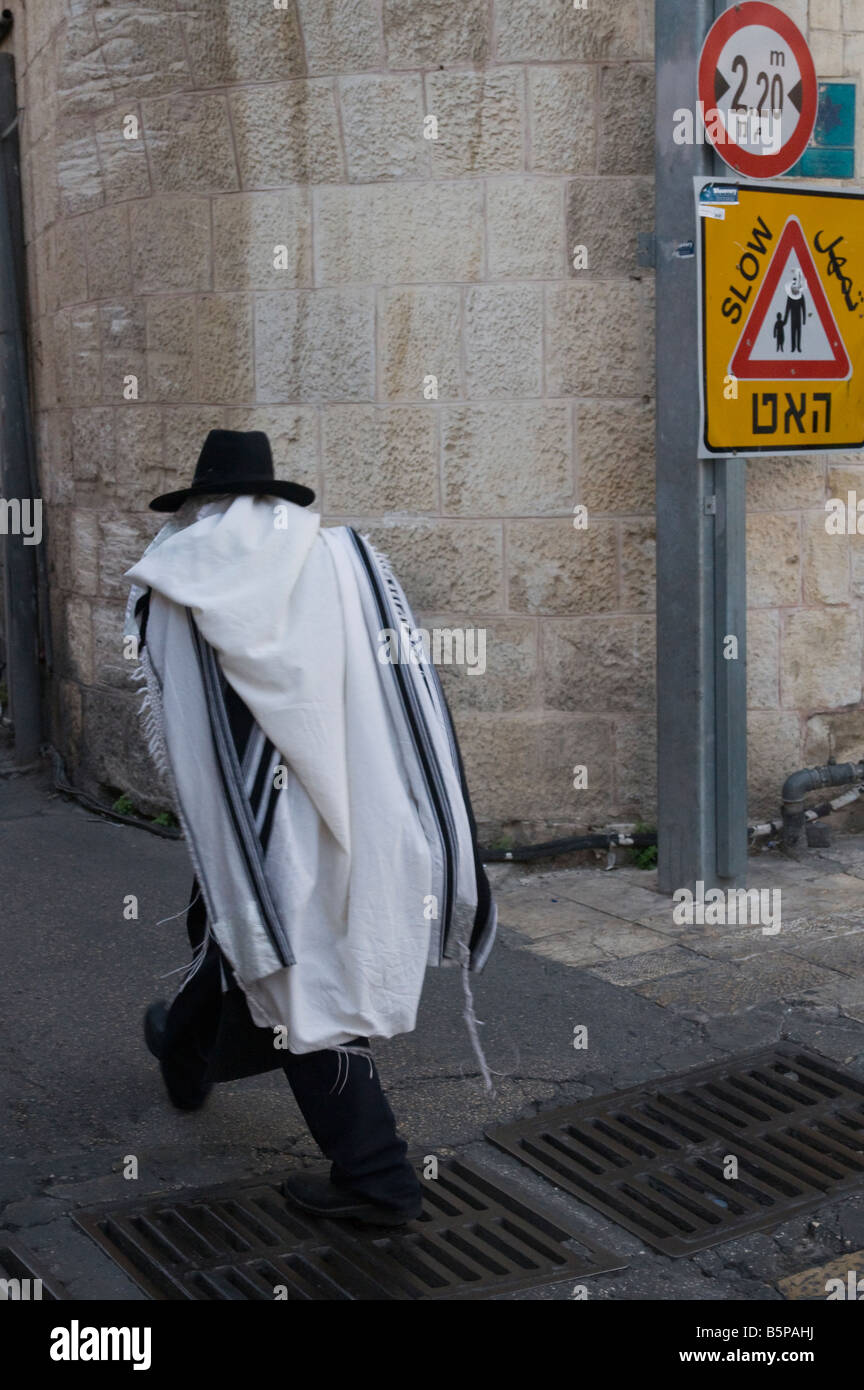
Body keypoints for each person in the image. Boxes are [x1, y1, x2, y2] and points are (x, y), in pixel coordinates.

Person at [125, 430, 496, 1228]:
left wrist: (229, 807)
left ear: (202, 505)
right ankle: (183, 1049)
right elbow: (400, 679)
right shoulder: (347, 561)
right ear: (276, 500)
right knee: (240, 935)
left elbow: (192, 726)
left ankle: (378, 1178)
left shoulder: (179, 578)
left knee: (299, 980)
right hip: (368, 794)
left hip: (258, 819)